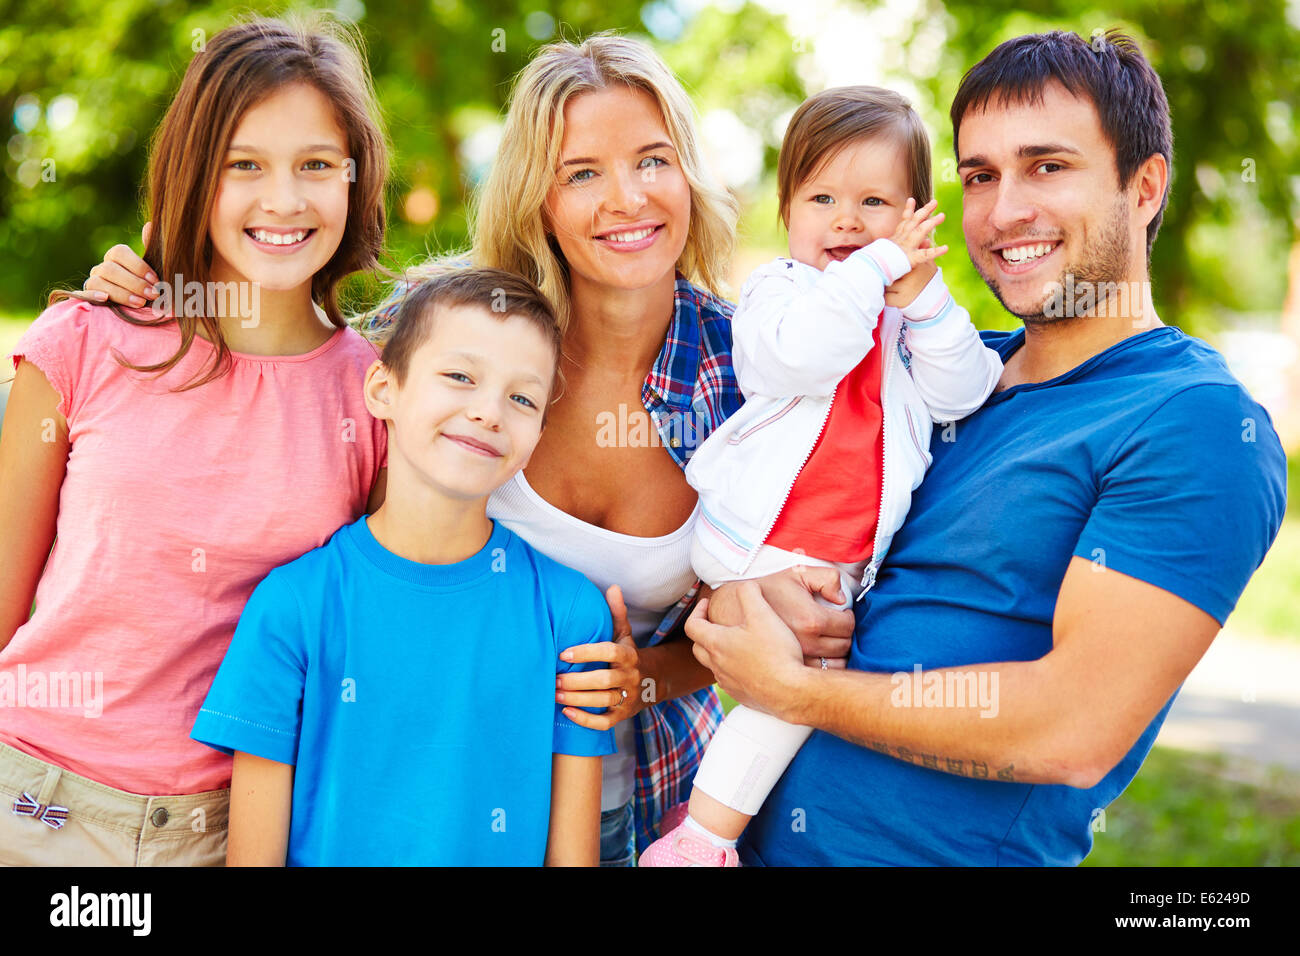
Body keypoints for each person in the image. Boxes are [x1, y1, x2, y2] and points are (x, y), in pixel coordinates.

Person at [687, 29, 1288, 866]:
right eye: (979, 176)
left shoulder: (1194, 422)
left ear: (1144, 186)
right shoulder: (937, 370)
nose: (1007, 211)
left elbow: (1073, 728)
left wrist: (798, 691)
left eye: (1049, 166)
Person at [0, 16, 390, 865]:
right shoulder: (84, 343)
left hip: (241, 830)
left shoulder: (374, 394)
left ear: (356, 179)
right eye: (242, 165)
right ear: (193, 175)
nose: (284, 200)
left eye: (316, 165)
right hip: (36, 807)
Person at [640, 87, 1001, 866]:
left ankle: (702, 835)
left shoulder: (909, 317)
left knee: (790, 702)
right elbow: (805, 356)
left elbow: (965, 390)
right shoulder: (780, 293)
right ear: (788, 206)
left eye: (874, 202)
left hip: (828, 564)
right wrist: (874, 267)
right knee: (789, 689)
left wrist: (925, 298)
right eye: (824, 197)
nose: (846, 219)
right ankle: (699, 842)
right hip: (754, 539)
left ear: (915, 215)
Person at [190, 269, 613, 866]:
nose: (489, 412)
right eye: (460, 377)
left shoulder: (570, 615)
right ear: (383, 390)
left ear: (539, 432)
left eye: (522, 398)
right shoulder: (294, 606)